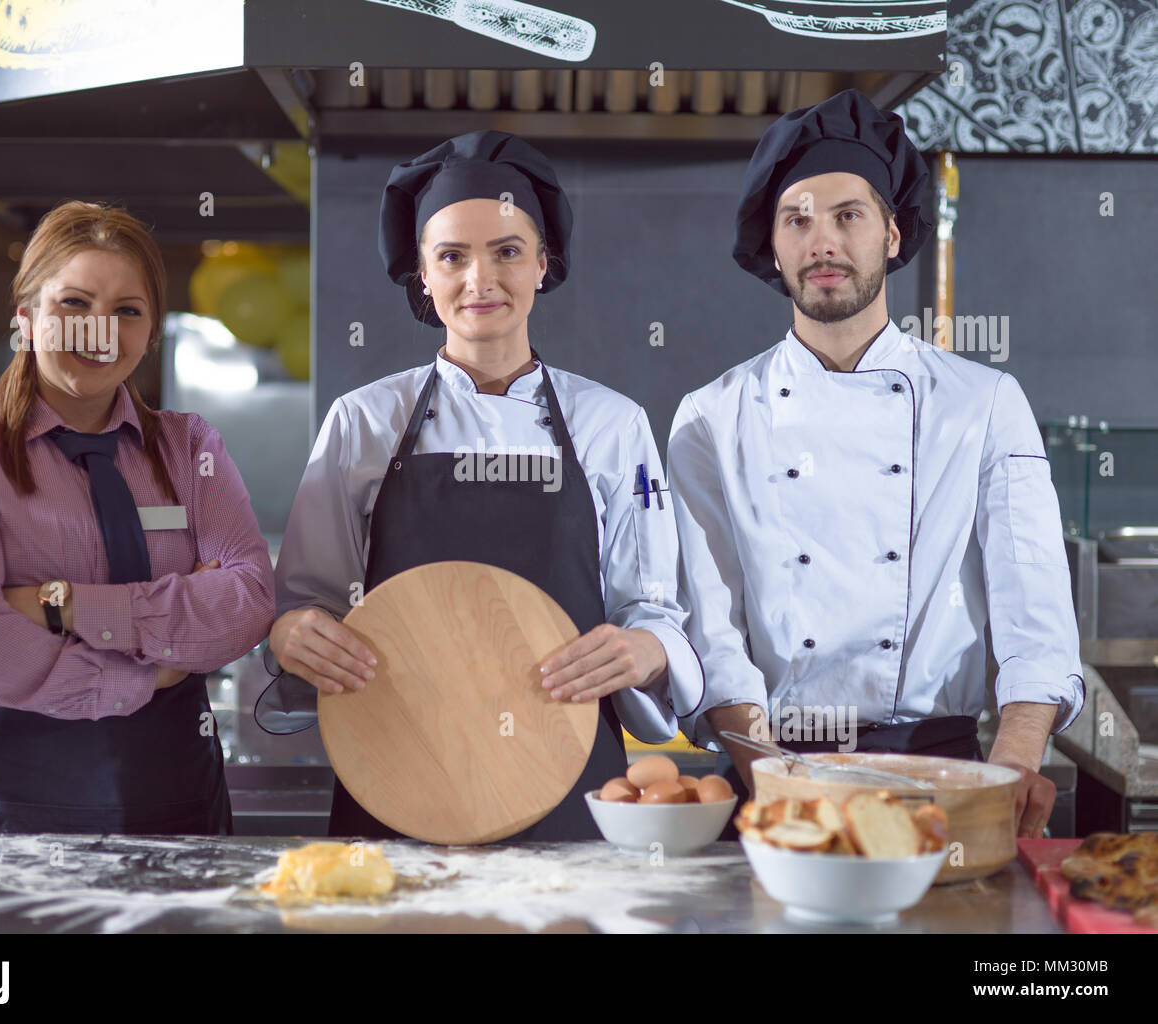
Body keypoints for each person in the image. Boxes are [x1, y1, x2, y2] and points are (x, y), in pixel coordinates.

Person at [261, 130, 703, 840]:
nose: (480, 280)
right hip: (397, 773)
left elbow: (650, 610)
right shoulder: (364, 422)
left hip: (568, 776)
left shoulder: (612, 425)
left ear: (542, 264)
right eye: (452, 257)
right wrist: (291, 634)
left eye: (506, 251)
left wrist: (649, 649)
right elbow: (305, 606)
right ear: (422, 277)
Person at [667, 89, 1082, 838]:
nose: (821, 241)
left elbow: (1036, 607)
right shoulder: (710, 415)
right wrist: (770, 780)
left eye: (847, 215)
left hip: (942, 775)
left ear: (892, 234)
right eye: (797, 219)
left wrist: (1019, 755)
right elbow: (711, 626)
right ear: (773, 244)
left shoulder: (984, 403)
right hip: (771, 778)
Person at [0, 201, 274, 834]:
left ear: (150, 332)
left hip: (171, 791)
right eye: (74, 304)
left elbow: (249, 599)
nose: (101, 331)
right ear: (26, 321)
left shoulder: (191, 449)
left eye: (128, 311)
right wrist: (149, 673)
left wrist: (59, 606)